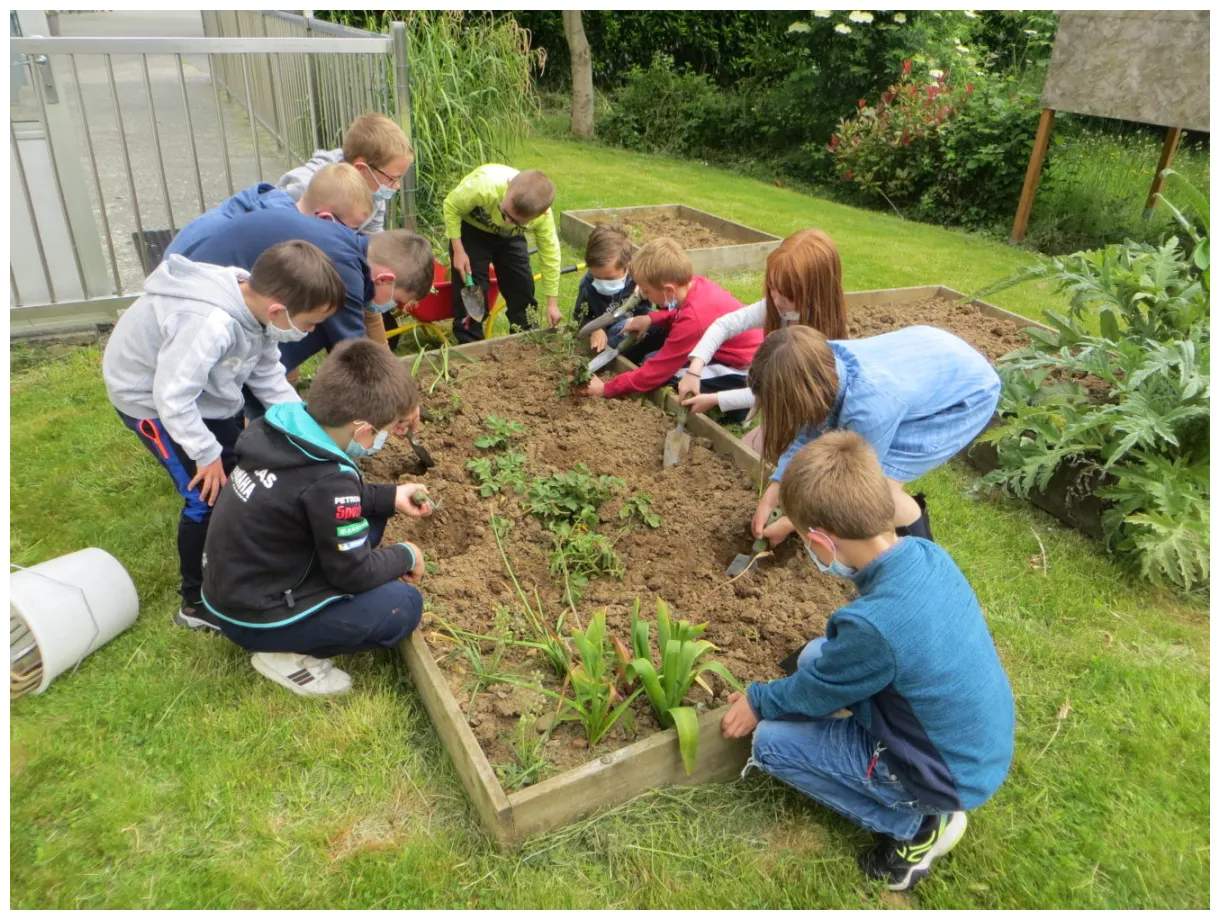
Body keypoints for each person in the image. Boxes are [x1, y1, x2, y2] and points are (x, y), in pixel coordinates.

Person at [721, 430, 1014, 892]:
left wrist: (758, 701)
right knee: (818, 654)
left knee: (772, 742)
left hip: (943, 772)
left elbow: (815, 692)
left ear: (821, 540)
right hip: (974, 742)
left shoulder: (876, 626)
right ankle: (917, 797)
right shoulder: (925, 554)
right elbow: (837, 666)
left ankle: (915, 828)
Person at [101, 241, 345, 632]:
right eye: (312, 323)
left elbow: (266, 374)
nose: (312, 332)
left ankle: (230, 556)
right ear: (279, 310)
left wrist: (306, 429)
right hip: (151, 402)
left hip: (201, 394)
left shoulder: (258, 311)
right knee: (206, 494)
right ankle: (196, 602)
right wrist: (204, 452)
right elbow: (173, 397)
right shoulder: (209, 322)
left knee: (236, 474)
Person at [201, 339, 431, 696]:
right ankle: (285, 655)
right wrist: (407, 554)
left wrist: (391, 497)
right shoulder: (328, 481)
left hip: (235, 586)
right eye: (384, 429)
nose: (383, 437)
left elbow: (320, 500)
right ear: (362, 429)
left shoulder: (277, 429)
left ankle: (293, 620)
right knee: (402, 607)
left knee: (373, 517)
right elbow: (353, 573)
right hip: (257, 615)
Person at [748, 325, 1001, 545]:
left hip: (967, 392)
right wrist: (776, 488)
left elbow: (850, 478)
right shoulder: (815, 364)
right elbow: (807, 432)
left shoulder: (870, 409)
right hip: (926, 357)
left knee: (881, 490)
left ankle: (920, 562)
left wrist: (795, 521)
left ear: (805, 392)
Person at [172, 203, 434, 376]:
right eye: (397, 300)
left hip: (221, 282)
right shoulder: (345, 272)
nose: (392, 307)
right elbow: (354, 354)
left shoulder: (347, 245)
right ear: (386, 279)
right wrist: (395, 398)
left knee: (313, 324)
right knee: (319, 327)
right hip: (203, 298)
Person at [677, 228, 847, 448]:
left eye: (787, 294)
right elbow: (725, 325)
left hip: (812, 429)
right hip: (780, 416)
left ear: (815, 292)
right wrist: (695, 369)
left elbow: (776, 394)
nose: (777, 299)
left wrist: (716, 399)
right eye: (773, 287)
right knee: (745, 451)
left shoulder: (823, 345)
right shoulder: (780, 309)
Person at [584, 237, 762, 423]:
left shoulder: (694, 320)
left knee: (668, 377)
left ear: (668, 290)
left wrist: (606, 388)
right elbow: (679, 314)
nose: (645, 296)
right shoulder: (695, 285)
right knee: (642, 349)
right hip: (724, 348)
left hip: (743, 367)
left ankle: (739, 409)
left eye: (646, 291)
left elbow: (655, 372)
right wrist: (652, 318)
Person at [443, 164, 563, 342]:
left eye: (515, 220)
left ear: (540, 215)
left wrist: (552, 303)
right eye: (504, 212)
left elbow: (550, 256)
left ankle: (525, 336)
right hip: (472, 231)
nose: (506, 220)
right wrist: (458, 250)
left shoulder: (543, 218)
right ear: (508, 185)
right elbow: (451, 206)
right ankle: (470, 342)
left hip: (511, 237)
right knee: (473, 288)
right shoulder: (483, 187)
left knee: (521, 285)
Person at [164, 163, 375, 261]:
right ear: (326, 219)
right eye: (350, 230)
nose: (352, 238)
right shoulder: (280, 238)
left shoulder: (270, 204)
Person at [277, 111, 414, 237]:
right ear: (362, 170)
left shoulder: (373, 191)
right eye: (393, 178)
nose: (396, 186)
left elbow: (372, 237)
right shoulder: (307, 186)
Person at [572, 223, 663, 365]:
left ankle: (647, 359)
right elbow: (580, 317)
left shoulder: (638, 279)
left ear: (627, 266)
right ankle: (628, 362)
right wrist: (595, 329)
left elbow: (657, 305)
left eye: (609, 278)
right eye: (597, 277)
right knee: (626, 328)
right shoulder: (588, 286)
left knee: (661, 324)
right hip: (611, 336)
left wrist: (647, 289)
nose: (602, 282)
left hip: (640, 326)